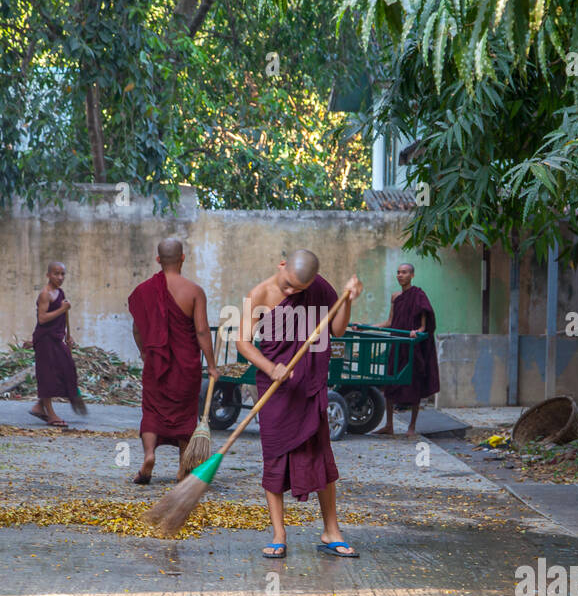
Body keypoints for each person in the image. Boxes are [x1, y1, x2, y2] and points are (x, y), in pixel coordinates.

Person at [236, 249, 363, 559]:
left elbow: (338, 330)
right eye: (289, 285)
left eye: (299, 290)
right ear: (281, 265)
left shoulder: (319, 287)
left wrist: (346, 301)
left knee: (320, 455)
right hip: (276, 388)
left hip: (308, 386)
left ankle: (331, 530)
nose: (292, 292)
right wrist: (270, 368)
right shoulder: (260, 293)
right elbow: (242, 341)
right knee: (276, 456)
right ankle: (279, 533)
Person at [128, 239, 219, 483]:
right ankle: (183, 468)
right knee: (186, 415)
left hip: (155, 363)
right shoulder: (194, 291)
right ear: (183, 258)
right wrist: (211, 365)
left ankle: (149, 456)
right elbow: (201, 331)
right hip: (186, 365)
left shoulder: (143, 290)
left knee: (151, 410)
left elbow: (137, 328)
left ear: (158, 259)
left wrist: (144, 353)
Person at [375, 262, 440, 437]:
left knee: (414, 385)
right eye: (398, 272)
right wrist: (367, 326)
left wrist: (418, 331)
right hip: (396, 345)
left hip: (412, 348)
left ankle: (411, 426)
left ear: (412, 275)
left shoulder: (418, 295)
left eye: (404, 272)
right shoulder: (396, 297)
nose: (400, 275)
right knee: (389, 384)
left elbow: (423, 323)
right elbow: (389, 321)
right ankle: (389, 425)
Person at [30, 261, 85, 426]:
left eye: (62, 274)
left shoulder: (60, 292)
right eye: (56, 274)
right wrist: (62, 309)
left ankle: (39, 406)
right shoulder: (45, 294)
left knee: (68, 368)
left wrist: (68, 336)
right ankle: (51, 413)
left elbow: (61, 318)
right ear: (48, 275)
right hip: (44, 340)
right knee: (47, 376)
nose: (60, 277)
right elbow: (42, 318)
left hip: (57, 338)